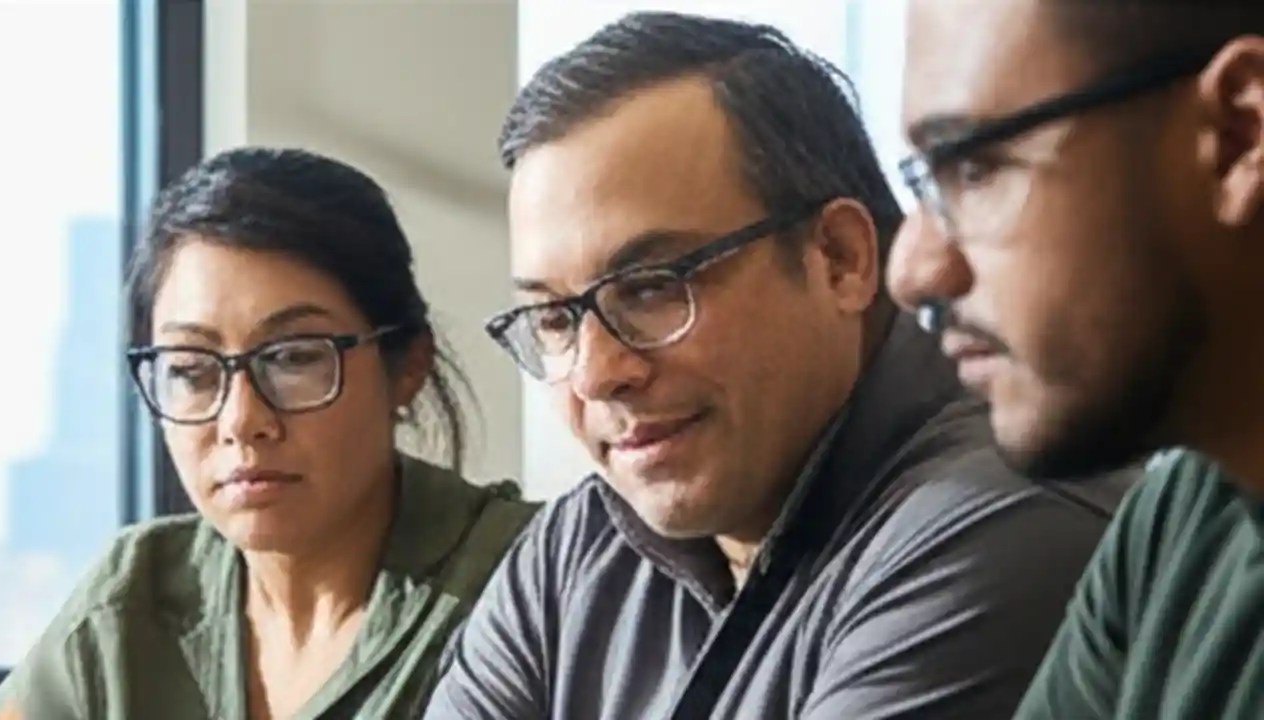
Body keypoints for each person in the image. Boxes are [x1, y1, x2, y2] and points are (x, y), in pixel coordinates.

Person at [425, 12, 1133, 720]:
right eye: (555, 319)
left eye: (651, 289)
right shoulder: (574, 553)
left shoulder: (995, 524)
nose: (596, 374)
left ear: (840, 258)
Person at [0, 147, 539, 719]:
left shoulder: (532, 583)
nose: (241, 421)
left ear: (407, 365)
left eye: (294, 359)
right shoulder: (130, 605)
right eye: (191, 371)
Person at [888, 2, 1264, 718]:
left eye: (975, 167)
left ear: (1237, 136)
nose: (912, 271)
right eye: (926, 179)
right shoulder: (1173, 527)